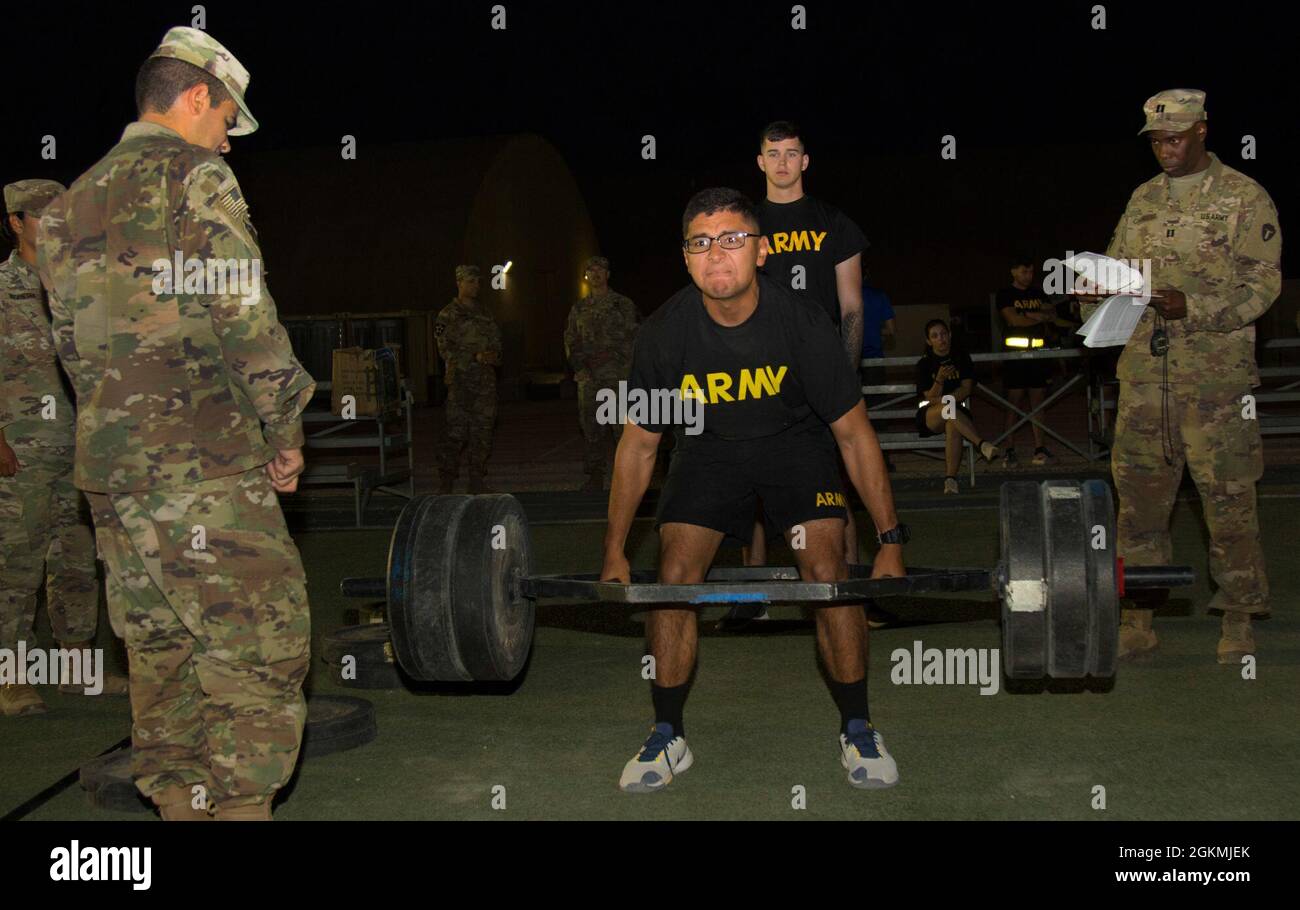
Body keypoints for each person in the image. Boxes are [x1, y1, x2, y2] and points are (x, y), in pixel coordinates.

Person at [37, 27, 316, 820]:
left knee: (163, 661)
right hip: (206, 469)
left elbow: (72, 353)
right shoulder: (195, 181)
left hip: (114, 482)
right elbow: (245, 316)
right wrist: (285, 430)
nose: (228, 141)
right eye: (226, 119)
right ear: (196, 98)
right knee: (258, 654)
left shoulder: (65, 209)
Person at [602, 188, 907, 792]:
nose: (718, 253)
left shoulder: (802, 323)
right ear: (686, 258)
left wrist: (890, 539)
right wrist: (614, 549)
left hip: (796, 447)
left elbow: (852, 435)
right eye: (702, 242)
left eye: (733, 239)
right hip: (708, 451)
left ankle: (857, 725)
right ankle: (667, 735)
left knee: (829, 568)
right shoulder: (663, 335)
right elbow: (638, 446)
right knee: (673, 575)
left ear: (761, 251)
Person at [1084, 89, 1280, 663]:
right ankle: (1138, 618)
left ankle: (1240, 616)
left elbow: (1262, 284)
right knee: (1139, 506)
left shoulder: (1244, 196)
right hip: (1144, 378)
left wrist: (1192, 306)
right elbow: (1117, 266)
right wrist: (1093, 289)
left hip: (1216, 385)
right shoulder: (1143, 199)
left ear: (1201, 132)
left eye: (1174, 138)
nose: (1164, 150)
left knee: (1229, 503)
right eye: (1156, 141)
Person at [1, 179, 129, 716]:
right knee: (16, 566)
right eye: (41, 215)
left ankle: (76, 670)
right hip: (20, 452)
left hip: (81, 451)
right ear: (15, 221)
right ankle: (11, 678)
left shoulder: (83, 287)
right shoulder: (3, 287)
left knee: (78, 563)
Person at [563, 255, 638, 491]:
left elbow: (636, 339)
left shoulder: (623, 305)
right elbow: (570, 341)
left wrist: (615, 357)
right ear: (587, 276)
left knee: (622, 430)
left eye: (600, 270)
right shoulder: (579, 309)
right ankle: (595, 475)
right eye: (591, 270)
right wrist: (580, 368)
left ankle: (624, 478)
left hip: (618, 376)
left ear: (608, 274)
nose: (595, 274)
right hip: (590, 378)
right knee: (591, 428)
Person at [435, 265, 502, 494]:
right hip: (461, 382)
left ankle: (477, 479)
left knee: (482, 432)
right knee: (455, 433)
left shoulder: (485, 313)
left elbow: (496, 343)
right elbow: (444, 349)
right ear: (459, 282)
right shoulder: (447, 314)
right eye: (470, 281)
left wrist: (494, 355)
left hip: (485, 383)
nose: (475, 286)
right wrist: (473, 356)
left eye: (477, 282)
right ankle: (446, 481)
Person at [915, 319, 999, 493]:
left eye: (944, 334)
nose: (941, 339)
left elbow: (966, 389)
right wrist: (939, 379)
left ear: (950, 335)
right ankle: (981, 444)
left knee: (953, 425)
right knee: (948, 410)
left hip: (956, 411)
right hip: (930, 416)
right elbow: (929, 398)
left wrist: (945, 399)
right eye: (935, 336)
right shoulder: (924, 364)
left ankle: (950, 480)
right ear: (929, 341)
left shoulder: (961, 357)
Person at [996, 256, 1057, 467]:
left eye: (1031, 272)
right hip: (1015, 356)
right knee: (1013, 403)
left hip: (1038, 354)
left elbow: (1051, 313)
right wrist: (1036, 316)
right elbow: (1013, 319)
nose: (1028, 276)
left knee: (1038, 402)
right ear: (1013, 271)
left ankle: (1040, 447)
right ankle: (1009, 449)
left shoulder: (1038, 292)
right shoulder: (1005, 294)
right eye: (1024, 271)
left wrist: (1030, 314)